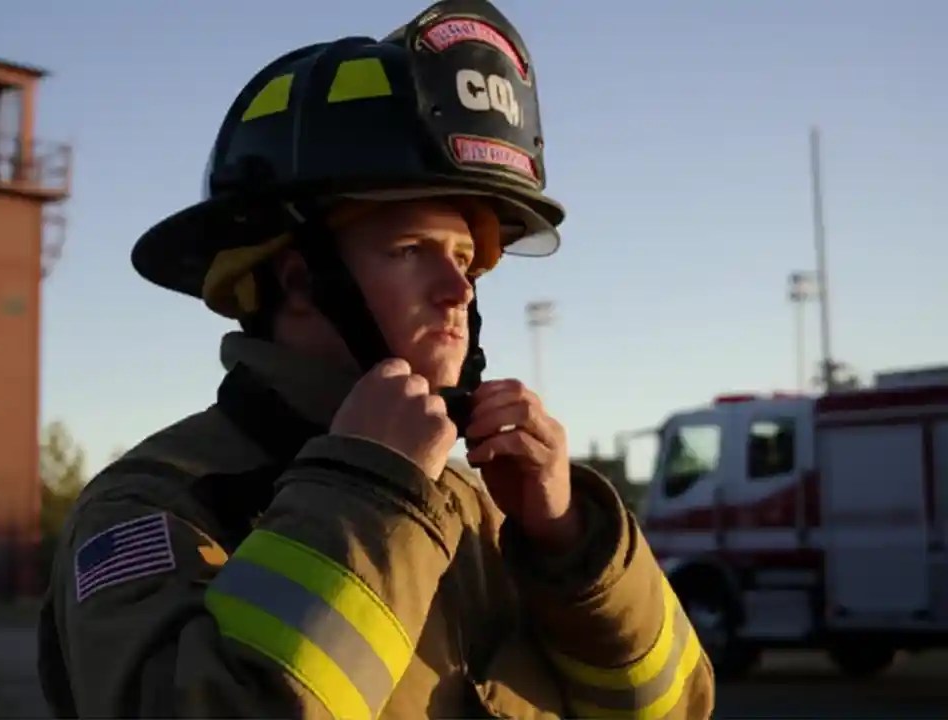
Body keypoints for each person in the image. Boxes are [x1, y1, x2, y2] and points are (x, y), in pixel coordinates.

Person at [37, 0, 716, 717]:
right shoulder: (156, 508)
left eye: (467, 261)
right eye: (412, 252)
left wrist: (571, 546)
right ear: (300, 280)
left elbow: (675, 708)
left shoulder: (483, 513)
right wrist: (369, 495)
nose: (459, 290)